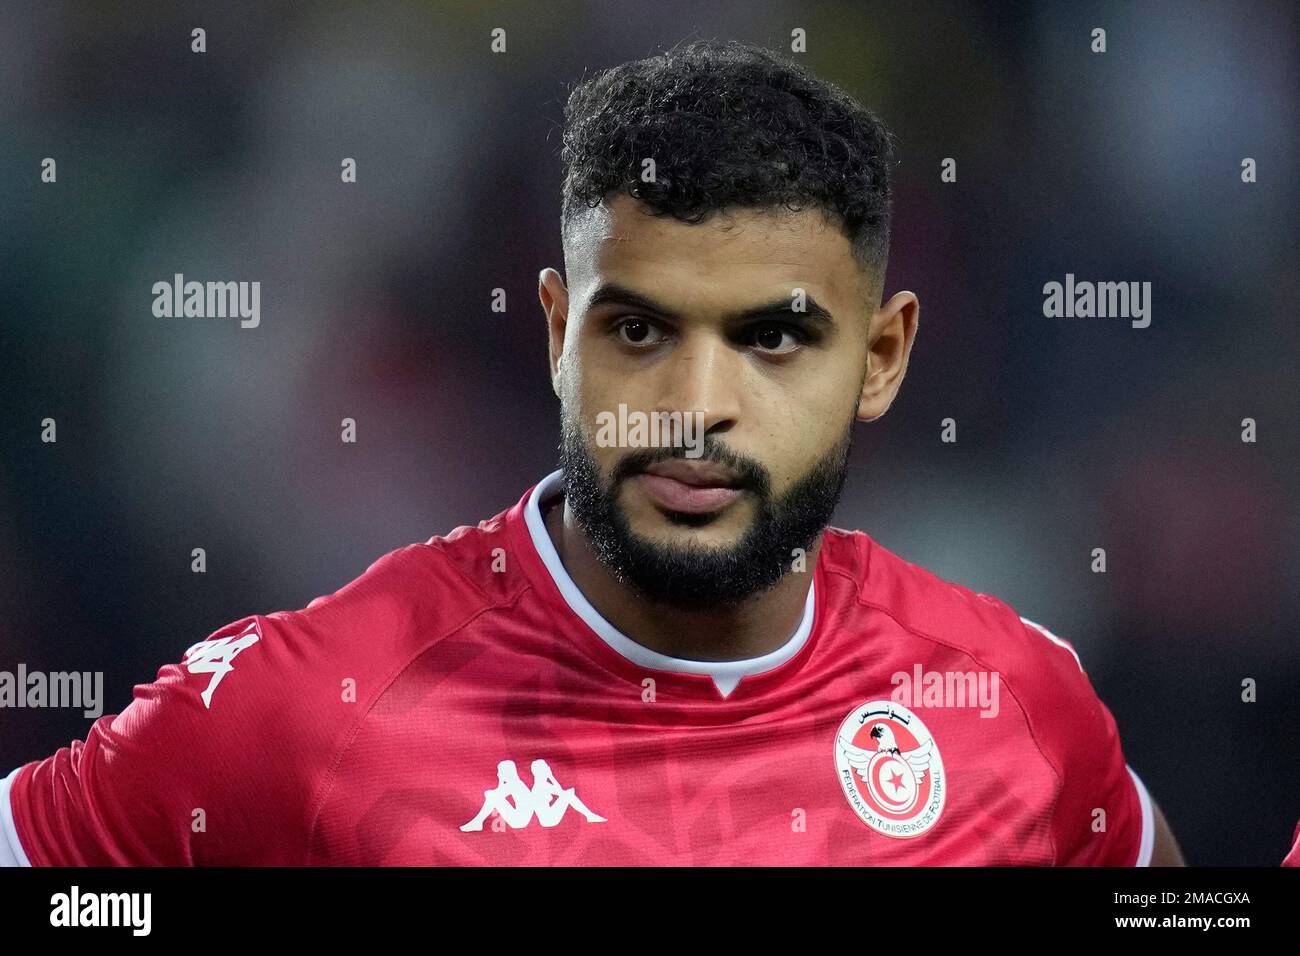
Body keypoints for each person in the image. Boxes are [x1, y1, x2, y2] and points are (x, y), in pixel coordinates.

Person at [0, 39, 1184, 866]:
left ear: (880, 356)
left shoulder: (1010, 706)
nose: (695, 406)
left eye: (773, 337)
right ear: (560, 333)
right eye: (639, 330)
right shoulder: (312, 708)